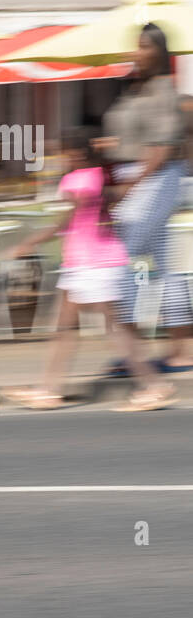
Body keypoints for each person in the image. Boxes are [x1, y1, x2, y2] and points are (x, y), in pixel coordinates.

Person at [7, 127, 174, 411]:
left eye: (63, 153)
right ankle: (49, 390)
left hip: (92, 264)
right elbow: (119, 195)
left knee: (113, 330)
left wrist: (29, 242)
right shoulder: (103, 175)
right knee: (67, 329)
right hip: (90, 262)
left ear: (74, 153)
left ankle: (153, 386)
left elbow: (66, 220)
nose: (61, 158)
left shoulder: (78, 179)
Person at [101, 23, 193, 378]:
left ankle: (134, 354)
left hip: (152, 180)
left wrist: (130, 185)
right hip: (137, 179)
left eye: (142, 46)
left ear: (158, 51)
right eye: (135, 45)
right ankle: (177, 353)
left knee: (123, 263)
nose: (135, 52)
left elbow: (163, 149)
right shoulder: (136, 89)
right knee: (161, 269)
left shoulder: (163, 91)